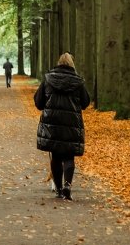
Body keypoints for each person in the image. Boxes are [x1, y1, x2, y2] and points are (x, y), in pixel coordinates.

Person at [33, 52, 90, 201]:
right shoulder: (78, 82)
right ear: (72, 64)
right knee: (69, 156)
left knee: (56, 156)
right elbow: (85, 103)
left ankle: (58, 189)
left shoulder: (48, 79)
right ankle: (67, 186)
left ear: (58, 63)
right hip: (71, 123)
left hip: (52, 123)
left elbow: (38, 102)